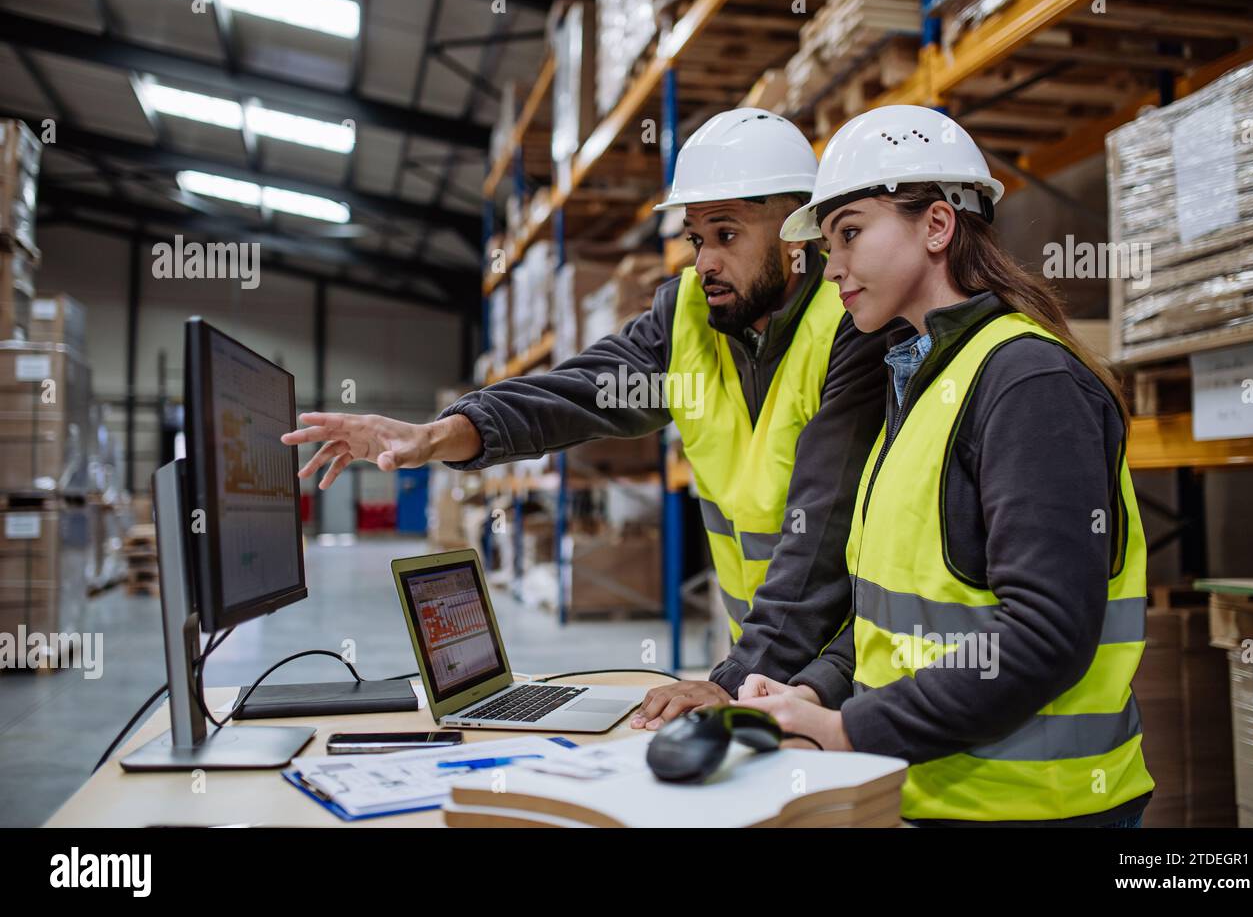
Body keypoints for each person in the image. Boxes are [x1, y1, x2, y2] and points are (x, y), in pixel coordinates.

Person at [282, 108, 890, 729]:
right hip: (761, 664)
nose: (704, 262)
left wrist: (732, 680)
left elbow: (818, 535)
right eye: (696, 238)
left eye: (727, 235)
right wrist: (437, 436)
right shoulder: (686, 318)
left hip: (846, 670)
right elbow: (574, 394)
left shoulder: (854, 326)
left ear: (796, 235)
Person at [735, 104, 1154, 827]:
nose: (830, 267)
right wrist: (817, 691)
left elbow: (1046, 632)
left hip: (1039, 809)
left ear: (937, 225)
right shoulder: (919, 381)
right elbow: (900, 620)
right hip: (938, 795)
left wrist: (854, 731)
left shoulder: (1027, 382)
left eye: (850, 234)